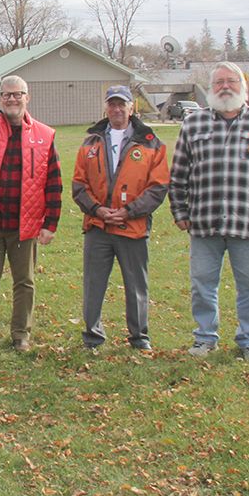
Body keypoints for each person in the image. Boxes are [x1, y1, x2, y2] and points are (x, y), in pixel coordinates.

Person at [170, 62, 249, 362]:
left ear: (243, 86)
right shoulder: (193, 124)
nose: (225, 86)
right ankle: (205, 338)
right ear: (211, 89)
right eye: (219, 82)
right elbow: (178, 174)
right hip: (204, 221)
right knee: (202, 284)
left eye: (231, 81)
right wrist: (180, 211)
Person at [0, 75, 62, 355]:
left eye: (18, 94)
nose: (12, 99)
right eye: (7, 95)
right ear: (0, 99)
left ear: (27, 97)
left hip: (25, 225)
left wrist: (49, 223)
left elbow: (53, 182)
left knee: (24, 282)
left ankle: (20, 335)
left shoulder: (44, 135)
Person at [72, 85, 169, 352]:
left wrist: (129, 211)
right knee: (93, 284)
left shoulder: (150, 142)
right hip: (97, 226)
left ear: (131, 107)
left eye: (121, 104)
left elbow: (158, 186)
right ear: (106, 107)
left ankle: (139, 337)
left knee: (137, 284)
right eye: (111, 104)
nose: (116, 109)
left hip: (133, 226)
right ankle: (92, 336)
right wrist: (97, 210)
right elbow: (79, 185)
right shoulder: (91, 141)